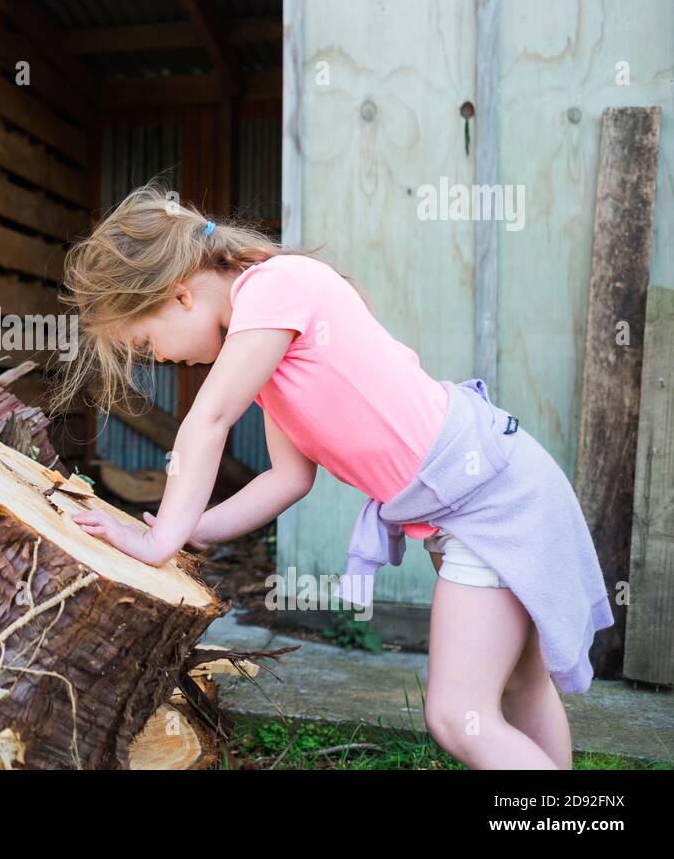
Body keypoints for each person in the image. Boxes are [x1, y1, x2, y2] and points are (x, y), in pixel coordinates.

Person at [54, 182, 613, 770]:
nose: (160, 359)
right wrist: (197, 529)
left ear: (180, 296)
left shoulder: (274, 286)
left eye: (146, 342)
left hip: (490, 498)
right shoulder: (267, 350)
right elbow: (288, 478)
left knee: (456, 714)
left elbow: (210, 419)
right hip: (483, 489)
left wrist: (158, 538)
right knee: (518, 688)